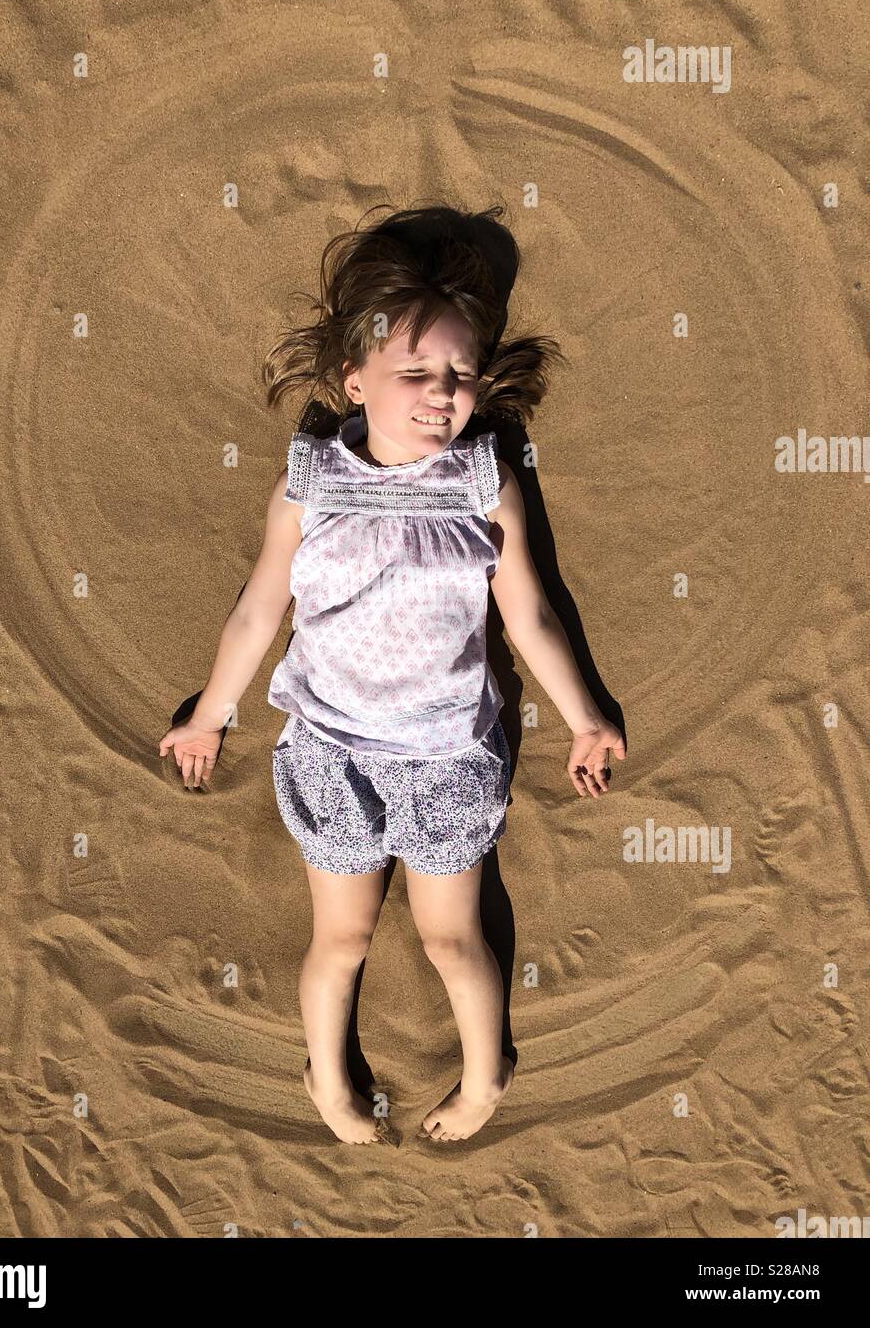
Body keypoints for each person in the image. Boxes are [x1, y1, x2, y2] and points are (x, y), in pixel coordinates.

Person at [159, 203, 626, 1145]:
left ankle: (485, 1076)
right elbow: (260, 608)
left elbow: (524, 611)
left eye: (457, 373)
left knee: (453, 939)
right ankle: (328, 1079)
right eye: (413, 372)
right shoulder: (309, 482)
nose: (439, 393)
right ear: (354, 378)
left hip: (446, 751)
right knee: (341, 939)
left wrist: (584, 715)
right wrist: (211, 714)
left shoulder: (479, 480)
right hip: (329, 749)